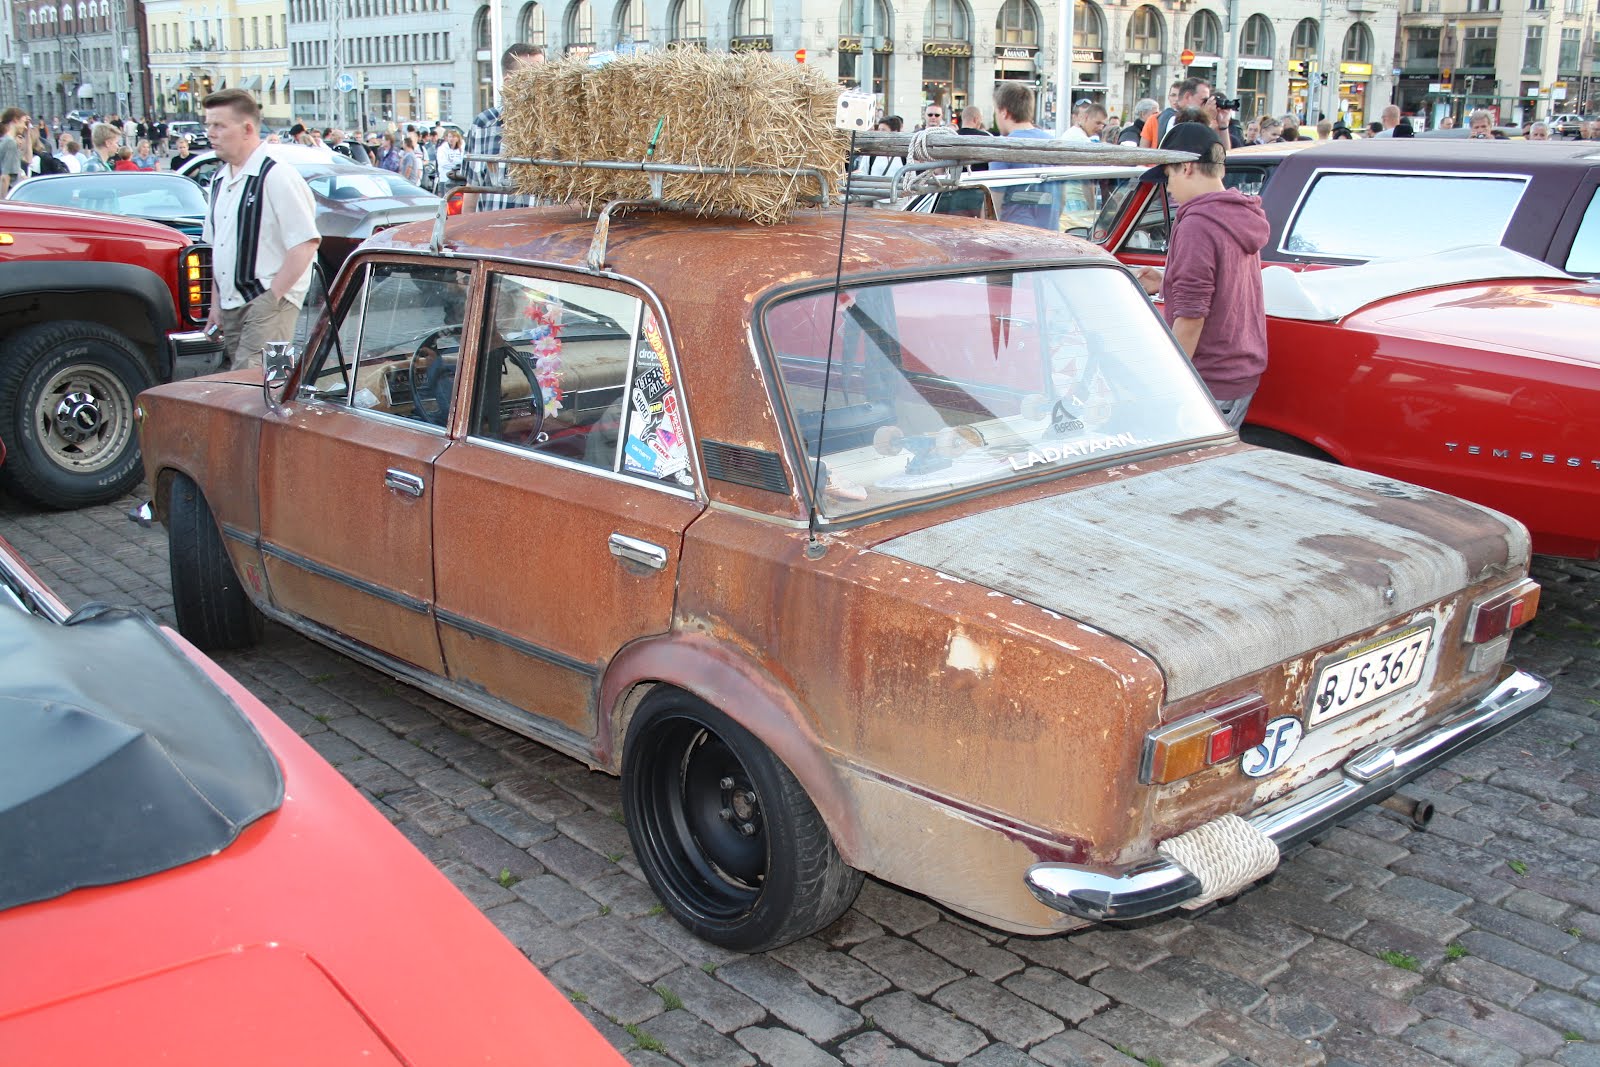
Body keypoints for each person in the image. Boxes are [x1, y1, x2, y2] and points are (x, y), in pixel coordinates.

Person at [1133, 122, 1269, 430]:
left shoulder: (1198, 223)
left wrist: (1166, 385)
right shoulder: (1238, 213)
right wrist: (1167, 281)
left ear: (1187, 167)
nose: (1168, 188)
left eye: (1168, 175)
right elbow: (1226, 283)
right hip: (1238, 371)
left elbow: (1192, 318)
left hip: (1207, 377)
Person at [199, 88, 320, 372]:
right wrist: (216, 304)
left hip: (269, 299)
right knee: (255, 380)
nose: (211, 133)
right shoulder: (220, 178)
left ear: (247, 129)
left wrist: (273, 297)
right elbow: (218, 247)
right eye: (209, 125)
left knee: (257, 379)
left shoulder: (276, 174)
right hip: (233, 302)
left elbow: (306, 243)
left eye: (219, 125)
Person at [463, 43, 547, 212]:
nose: (543, 83)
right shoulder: (483, 124)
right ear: (510, 82)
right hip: (492, 228)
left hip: (542, 228)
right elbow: (471, 190)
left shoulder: (555, 126)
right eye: (534, 76)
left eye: (546, 75)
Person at [989, 82, 1058, 229]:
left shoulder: (1002, 147)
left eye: (996, 111)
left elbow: (993, 206)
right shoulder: (1054, 143)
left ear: (1004, 112)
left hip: (1014, 235)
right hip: (1050, 234)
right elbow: (1061, 199)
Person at [1141, 81, 1182, 147]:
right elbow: (1143, 148)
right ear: (1168, 97)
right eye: (1173, 95)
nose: (1176, 99)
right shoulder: (1153, 119)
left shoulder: (1191, 119)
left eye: (1180, 95)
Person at [0, 108, 27, 196]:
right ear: (15, 120)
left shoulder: (4, 140)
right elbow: (5, 177)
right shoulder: (10, 142)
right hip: (9, 193)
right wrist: (3, 201)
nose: (25, 126)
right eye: (23, 122)